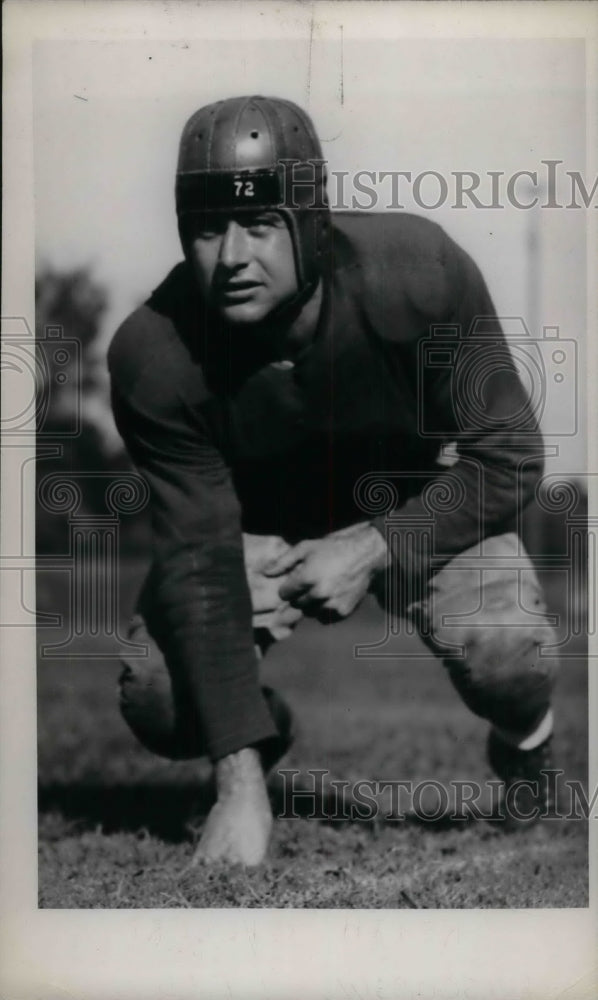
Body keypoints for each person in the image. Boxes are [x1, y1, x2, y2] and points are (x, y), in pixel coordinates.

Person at [108, 95, 558, 867]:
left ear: (311, 221)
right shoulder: (154, 353)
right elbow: (197, 562)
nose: (233, 257)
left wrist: (375, 545)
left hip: (410, 501)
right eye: (210, 228)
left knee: (512, 653)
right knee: (155, 695)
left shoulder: (421, 276)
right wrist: (237, 787)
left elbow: (510, 454)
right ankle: (256, 736)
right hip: (246, 533)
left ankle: (527, 747)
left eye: (259, 225)